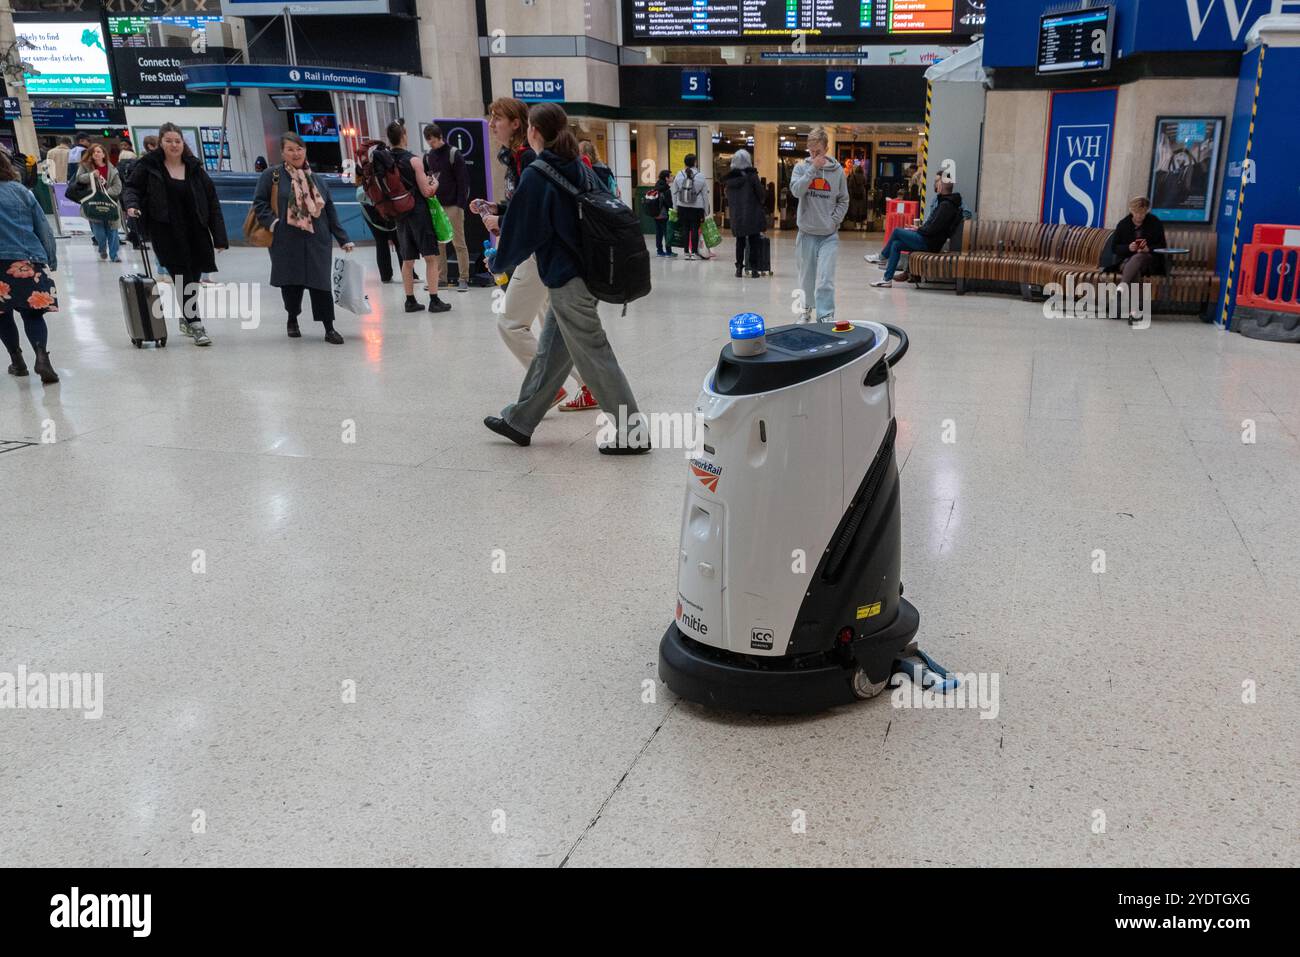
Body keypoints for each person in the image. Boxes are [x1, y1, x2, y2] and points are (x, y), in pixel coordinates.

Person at [482, 102, 647, 454]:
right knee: (552, 354)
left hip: (569, 280)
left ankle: (633, 432)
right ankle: (520, 420)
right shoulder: (577, 166)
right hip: (585, 273)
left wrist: (498, 262)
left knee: (594, 355)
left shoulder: (538, 173)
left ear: (534, 132)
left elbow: (522, 230)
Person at [476, 97, 592, 412]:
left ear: (520, 125)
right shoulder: (517, 158)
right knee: (556, 325)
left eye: (497, 118)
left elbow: (533, 210)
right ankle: (589, 386)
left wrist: (501, 221)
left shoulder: (528, 158)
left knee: (511, 323)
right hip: (545, 252)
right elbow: (524, 203)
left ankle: (547, 385)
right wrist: (498, 208)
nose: (492, 125)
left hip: (537, 252)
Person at [123, 122, 228, 346]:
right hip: (167, 232)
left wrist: (219, 237)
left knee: (195, 278)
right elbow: (131, 188)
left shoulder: (194, 167)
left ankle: (186, 317)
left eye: (177, 141)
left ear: (183, 143)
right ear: (160, 143)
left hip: (196, 231)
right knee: (182, 278)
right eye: (169, 141)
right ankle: (196, 324)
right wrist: (131, 205)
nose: (174, 145)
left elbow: (212, 201)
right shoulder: (149, 166)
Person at [254, 132, 355, 344]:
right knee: (291, 285)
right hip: (286, 240)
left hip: (317, 240)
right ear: (282, 152)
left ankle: (329, 327)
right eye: (290, 149)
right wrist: (275, 224)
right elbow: (260, 204)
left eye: (299, 149)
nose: (295, 153)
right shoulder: (272, 176)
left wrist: (343, 238)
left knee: (321, 285)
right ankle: (292, 318)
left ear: (305, 151)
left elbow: (329, 210)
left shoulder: (317, 179)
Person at [0, 149, 60, 384]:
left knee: (2, 316)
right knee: (33, 313)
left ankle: (17, 361)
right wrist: (50, 258)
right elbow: (43, 227)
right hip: (27, 260)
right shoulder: (21, 191)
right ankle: (42, 357)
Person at [384, 121, 450, 314]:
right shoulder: (413, 160)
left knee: (407, 259)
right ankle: (434, 300)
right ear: (404, 136)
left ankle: (410, 300)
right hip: (418, 213)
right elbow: (427, 191)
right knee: (431, 257)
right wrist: (435, 184)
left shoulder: (386, 160)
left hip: (399, 214)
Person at [789, 128, 848, 321]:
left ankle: (825, 314)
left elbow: (843, 200)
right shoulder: (800, 168)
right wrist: (812, 168)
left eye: (818, 152)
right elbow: (796, 191)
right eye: (811, 152)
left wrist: (833, 221)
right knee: (806, 277)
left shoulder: (837, 171)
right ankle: (805, 311)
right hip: (806, 233)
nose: (814, 155)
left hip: (829, 235)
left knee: (825, 278)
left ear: (826, 148)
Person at [870, 179, 963, 288]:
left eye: (938, 183)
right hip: (928, 239)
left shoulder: (946, 206)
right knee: (896, 244)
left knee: (897, 231)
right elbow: (933, 227)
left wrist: (918, 230)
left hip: (929, 243)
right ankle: (887, 279)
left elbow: (933, 229)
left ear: (941, 187)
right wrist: (919, 228)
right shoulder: (946, 203)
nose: (936, 185)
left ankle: (882, 257)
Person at [423, 122, 471, 293]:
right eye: (429, 142)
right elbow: (430, 177)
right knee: (439, 244)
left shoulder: (453, 154)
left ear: (440, 137)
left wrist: (460, 205)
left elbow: (463, 181)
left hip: (453, 206)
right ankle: (441, 278)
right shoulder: (429, 155)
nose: (432, 145)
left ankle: (463, 278)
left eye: (434, 141)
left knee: (459, 243)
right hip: (437, 205)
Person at [72, 143, 123, 262]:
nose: (96, 153)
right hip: (93, 203)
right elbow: (79, 178)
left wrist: (106, 193)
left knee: (113, 231)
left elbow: (118, 186)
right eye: (94, 152)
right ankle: (102, 248)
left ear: (104, 154)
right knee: (99, 232)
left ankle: (114, 255)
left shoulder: (112, 169)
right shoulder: (85, 166)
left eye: (99, 151)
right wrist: (91, 175)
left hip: (110, 203)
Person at [721, 149, 765, 279]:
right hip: (752, 214)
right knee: (754, 242)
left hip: (737, 215)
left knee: (740, 242)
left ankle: (739, 268)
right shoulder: (752, 176)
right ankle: (754, 269)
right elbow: (761, 194)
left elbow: (728, 197)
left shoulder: (730, 179)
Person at [1109, 196, 1168, 287]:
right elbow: (1114, 247)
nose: (1139, 215)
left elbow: (1162, 246)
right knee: (1135, 269)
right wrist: (1128, 247)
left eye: (1142, 213)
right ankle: (1133, 299)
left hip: (1149, 261)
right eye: (1136, 212)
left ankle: (1122, 287)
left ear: (1147, 211)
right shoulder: (1123, 224)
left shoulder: (1155, 223)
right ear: (1131, 211)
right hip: (1126, 260)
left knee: (1139, 257)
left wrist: (1148, 249)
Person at [672, 154, 708, 260]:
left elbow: (674, 192)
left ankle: (686, 252)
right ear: (695, 162)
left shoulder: (679, 175)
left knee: (685, 229)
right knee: (695, 229)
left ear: (685, 163)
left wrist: (675, 207)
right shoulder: (700, 176)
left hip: (682, 207)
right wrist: (706, 210)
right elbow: (705, 194)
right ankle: (694, 252)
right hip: (697, 208)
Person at [650, 169, 675, 257]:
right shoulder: (666, 188)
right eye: (670, 176)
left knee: (659, 233)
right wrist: (672, 211)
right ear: (666, 178)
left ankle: (659, 251)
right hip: (664, 214)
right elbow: (669, 203)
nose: (672, 177)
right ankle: (668, 251)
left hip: (656, 213)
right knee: (667, 232)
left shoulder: (657, 186)